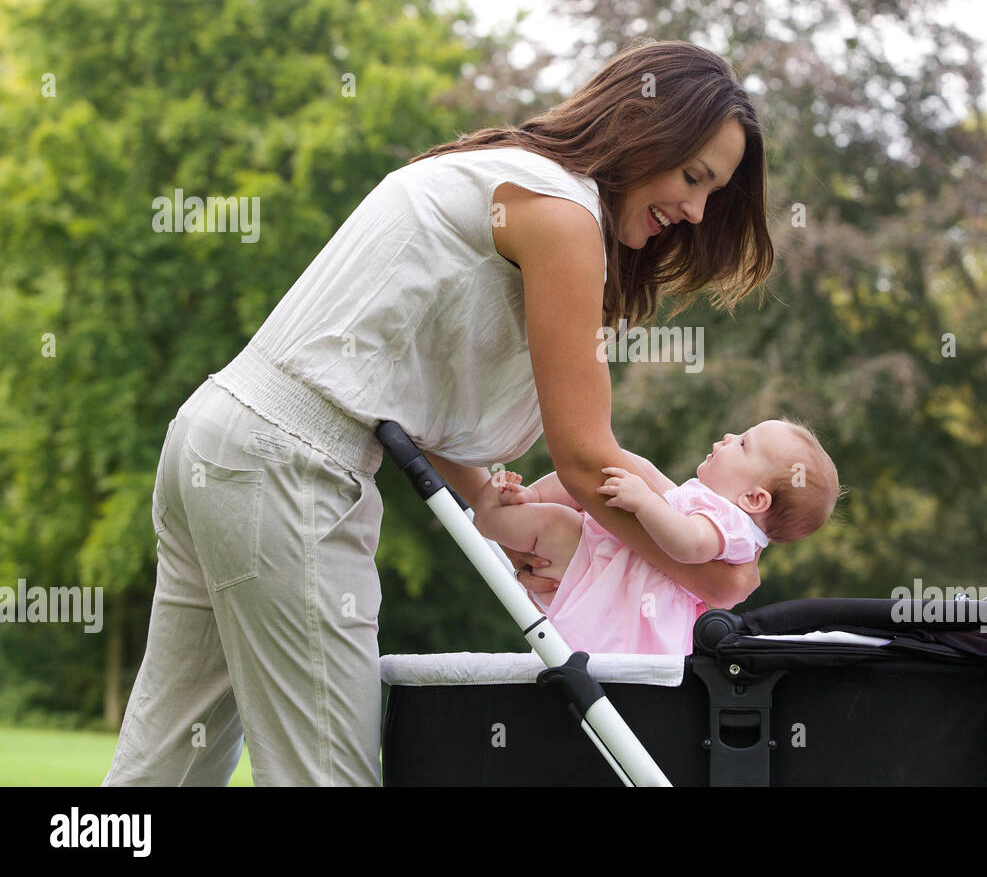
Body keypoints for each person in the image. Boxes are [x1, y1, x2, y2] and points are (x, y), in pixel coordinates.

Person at [102, 38, 774, 786]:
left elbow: (394, 391)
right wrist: (708, 573)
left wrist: (490, 498)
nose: (695, 209)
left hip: (221, 438)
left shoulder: (501, 173)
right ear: (645, 128)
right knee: (328, 777)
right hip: (288, 469)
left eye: (713, 193)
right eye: (694, 176)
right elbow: (585, 461)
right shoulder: (559, 215)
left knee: (163, 769)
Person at [474, 419, 839, 656]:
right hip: (616, 572)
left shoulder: (733, 525)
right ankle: (523, 503)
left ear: (754, 499)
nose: (728, 436)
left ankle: (493, 519)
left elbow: (688, 544)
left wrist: (645, 501)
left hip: (626, 594)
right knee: (584, 495)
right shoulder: (717, 508)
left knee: (557, 522)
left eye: (743, 444)